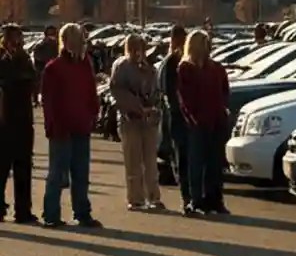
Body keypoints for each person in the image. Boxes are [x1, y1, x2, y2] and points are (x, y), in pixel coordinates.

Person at [40, 23, 102, 229]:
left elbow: (91, 90)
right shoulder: (53, 68)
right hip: (61, 129)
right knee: (57, 173)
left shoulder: (85, 65)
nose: (80, 45)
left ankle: (82, 212)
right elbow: (49, 102)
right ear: (64, 42)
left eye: (81, 40)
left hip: (81, 125)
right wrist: (53, 126)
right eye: (75, 40)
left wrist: (94, 112)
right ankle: (51, 214)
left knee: (81, 173)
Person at [177, 30, 230, 215]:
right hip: (198, 124)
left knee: (215, 164)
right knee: (197, 163)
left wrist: (222, 109)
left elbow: (224, 90)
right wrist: (194, 118)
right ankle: (196, 200)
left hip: (216, 121)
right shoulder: (186, 68)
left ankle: (215, 199)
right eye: (203, 44)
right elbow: (185, 99)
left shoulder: (215, 67)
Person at [111, 34, 163, 211]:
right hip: (130, 120)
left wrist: (153, 106)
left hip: (148, 122)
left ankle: (154, 197)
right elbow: (118, 91)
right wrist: (137, 108)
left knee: (150, 160)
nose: (137, 52)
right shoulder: (121, 67)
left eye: (140, 48)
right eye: (133, 48)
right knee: (133, 160)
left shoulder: (150, 68)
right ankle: (135, 198)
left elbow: (156, 91)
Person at [0, 24, 38, 223]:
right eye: (11, 40)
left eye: (18, 39)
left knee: (23, 167)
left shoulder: (25, 60)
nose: (16, 44)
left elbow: (31, 80)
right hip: (4, 122)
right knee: (2, 167)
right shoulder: (3, 61)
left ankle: (23, 210)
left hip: (23, 120)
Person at [159, 26, 192, 213]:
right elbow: (169, 95)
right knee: (181, 158)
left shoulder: (171, 62)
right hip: (177, 118)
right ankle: (186, 198)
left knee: (184, 158)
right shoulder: (172, 64)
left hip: (177, 118)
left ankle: (190, 197)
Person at [31, 25, 58, 107]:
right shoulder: (41, 45)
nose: (52, 36)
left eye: (53, 33)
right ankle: (38, 100)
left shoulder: (58, 45)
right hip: (44, 69)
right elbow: (37, 55)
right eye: (50, 34)